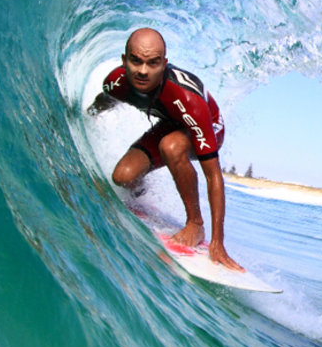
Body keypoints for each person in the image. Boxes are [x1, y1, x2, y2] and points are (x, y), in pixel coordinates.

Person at [88, 27, 242, 270]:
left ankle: (195, 223)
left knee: (171, 146)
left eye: (153, 63)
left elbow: (213, 176)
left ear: (164, 64)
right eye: (136, 61)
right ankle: (140, 192)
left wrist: (218, 241)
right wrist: (85, 116)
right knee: (123, 176)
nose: (143, 71)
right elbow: (104, 102)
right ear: (124, 60)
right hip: (171, 123)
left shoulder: (187, 99)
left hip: (209, 126)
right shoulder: (116, 82)